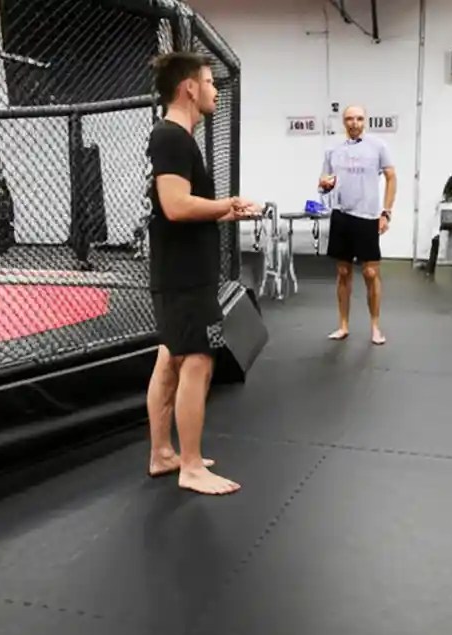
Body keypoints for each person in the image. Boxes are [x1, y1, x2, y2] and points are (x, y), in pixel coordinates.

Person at [145, 52, 258, 496]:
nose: (214, 90)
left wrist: (225, 214)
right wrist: (227, 203)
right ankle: (190, 466)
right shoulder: (172, 137)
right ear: (189, 88)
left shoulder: (175, 137)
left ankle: (162, 454)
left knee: (169, 360)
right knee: (198, 361)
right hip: (185, 277)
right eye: (209, 82)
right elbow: (175, 205)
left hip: (180, 271)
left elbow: (185, 208)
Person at [319, 105, 397, 345]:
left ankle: (375, 327)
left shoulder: (378, 146)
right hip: (341, 215)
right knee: (343, 273)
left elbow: (391, 177)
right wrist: (325, 185)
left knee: (371, 273)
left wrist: (386, 213)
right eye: (350, 119)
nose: (354, 123)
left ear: (365, 121)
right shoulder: (333, 149)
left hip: (367, 217)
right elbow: (322, 183)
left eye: (359, 118)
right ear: (344, 122)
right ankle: (343, 325)